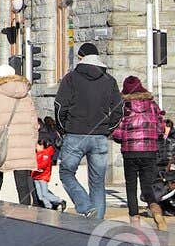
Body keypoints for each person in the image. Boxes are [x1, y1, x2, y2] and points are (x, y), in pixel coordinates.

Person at [53, 41, 124, 219]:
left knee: (67, 173)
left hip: (75, 133)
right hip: (99, 135)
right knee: (98, 182)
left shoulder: (71, 78)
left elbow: (60, 106)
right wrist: (108, 129)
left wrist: (63, 128)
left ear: (80, 57)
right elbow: (119, 109)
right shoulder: (109, 80)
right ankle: (96, 223)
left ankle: (84, 206)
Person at [0, 62, 38, 205]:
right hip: (24, 145)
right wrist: (32, 143)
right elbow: (34, 123)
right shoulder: (25, 94)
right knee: (23, 185)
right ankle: (26, 215)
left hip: (0, 143)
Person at [111, 75, 167, 230]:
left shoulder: (124, 107)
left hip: (130, 152)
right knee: (147, 186)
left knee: (131, 186)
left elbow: (117, 133)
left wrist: (121, 138)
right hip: (149, 151)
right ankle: (156, 212)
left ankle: (134, 221)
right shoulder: (152, 105)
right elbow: (161, 129)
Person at [32, 140, 66, 209]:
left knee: (45, 193)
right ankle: (48, 206)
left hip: (43, 177)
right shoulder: (37, 153)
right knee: (40, 196)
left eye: (37, 146)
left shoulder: (46, 154)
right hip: (36, 176)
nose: (36, 148)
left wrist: (36, 168)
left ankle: (60, 200)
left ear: (42, 146)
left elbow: (43, 165)